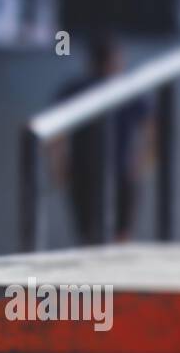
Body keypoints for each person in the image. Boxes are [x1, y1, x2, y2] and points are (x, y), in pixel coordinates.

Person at [50, 34, 153, 245]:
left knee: (101, 239)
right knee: (106, 239)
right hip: (96, 174)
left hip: (105, 174)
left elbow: (154, 125)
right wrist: (144, 161)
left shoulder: (81, 90)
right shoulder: (86, 90)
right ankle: (108, 277)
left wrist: (58, 166)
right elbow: (155, 127)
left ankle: (105, 276)